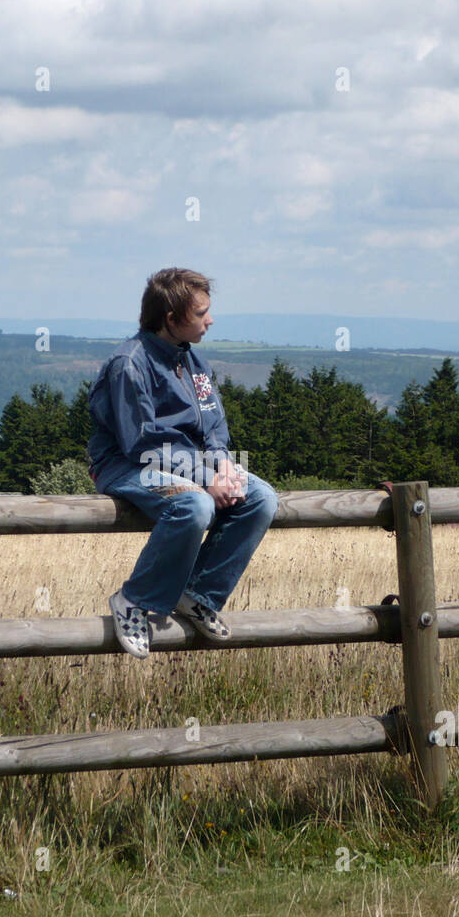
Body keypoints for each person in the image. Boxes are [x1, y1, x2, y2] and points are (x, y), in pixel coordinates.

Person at [87, 267, 280, 657]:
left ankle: (196, 594)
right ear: (170, 319)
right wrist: (205, 480)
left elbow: (214, 426)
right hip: (128, 466)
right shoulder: (130, 365)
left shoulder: (195, 364)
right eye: (200, 313)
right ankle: (134, 600)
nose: (210, 320)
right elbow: (141, 444)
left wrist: (223, 465)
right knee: (193, 504)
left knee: (262, 498)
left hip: (191, 464)